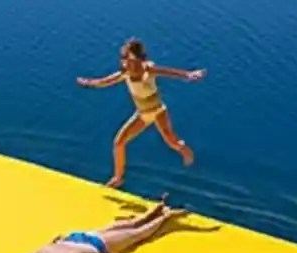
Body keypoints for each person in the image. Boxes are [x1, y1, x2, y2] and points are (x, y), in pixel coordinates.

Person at [76, 37, 207, 188]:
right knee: (118, 143)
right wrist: (88, 83)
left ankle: (185, 150)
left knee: (171, 141)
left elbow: (168, 72)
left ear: (138, 59)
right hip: (142, 115)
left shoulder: (147, 69)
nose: (127, 64)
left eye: (130, 60)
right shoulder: (125, 74)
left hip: (158, 111)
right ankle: (118, 177)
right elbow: (104, 82)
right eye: (125, 60)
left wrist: (189, 75)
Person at [5, 194, 185, 253]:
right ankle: (166, 216)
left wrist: (58, 240)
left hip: (78, 238)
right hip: (97, 248)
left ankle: (157, 209)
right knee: (136, 233)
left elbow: (52, 245)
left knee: (130, 224)